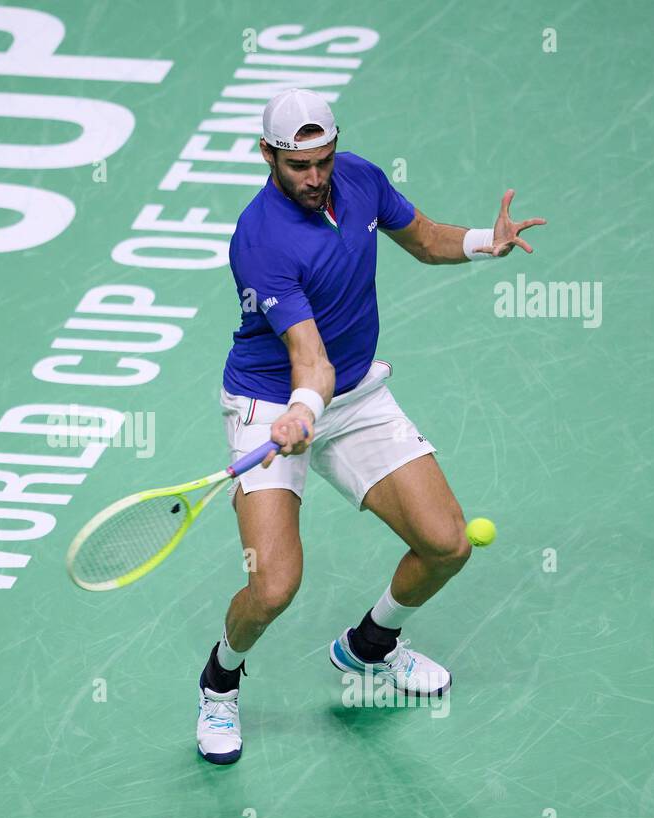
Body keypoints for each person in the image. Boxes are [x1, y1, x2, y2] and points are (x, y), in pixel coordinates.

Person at [197, 88, 546, 765]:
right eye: (299, 165)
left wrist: (483, 242)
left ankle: (369, 650)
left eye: (322, 160)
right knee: (273, 586)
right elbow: (309, 356)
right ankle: (218, 685)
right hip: (273, 406)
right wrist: (300, 410)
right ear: (267, 154)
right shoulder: (260, 238)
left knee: (446, 543)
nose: (315, 177)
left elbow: (423, 240)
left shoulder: (359, 177)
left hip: (352, 397)